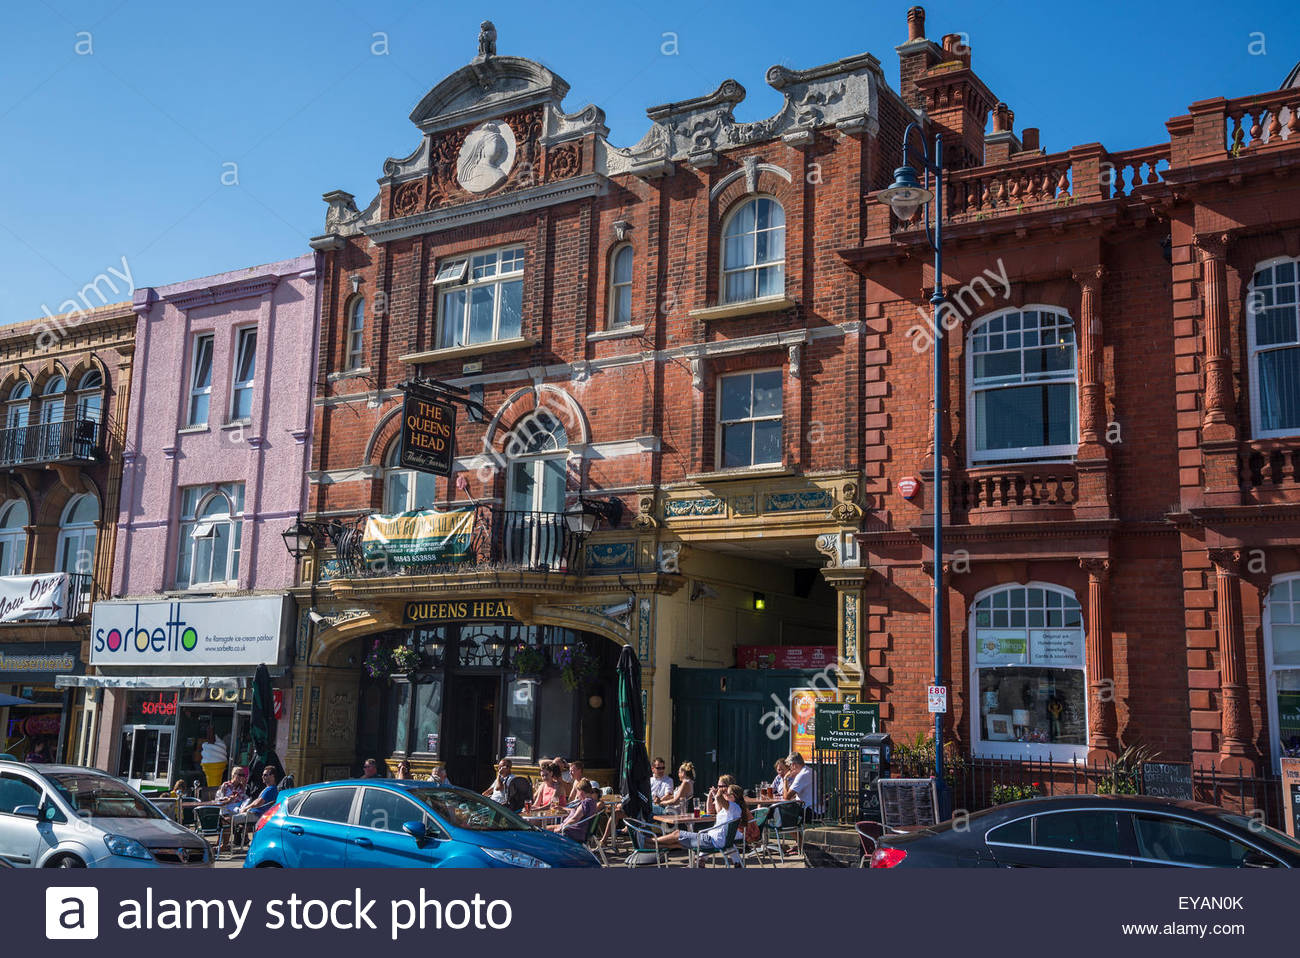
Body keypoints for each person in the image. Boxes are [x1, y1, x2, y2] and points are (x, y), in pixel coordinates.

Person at [654, 784, 748, 865]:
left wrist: (720, 790)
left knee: (677, 834)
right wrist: (714, 794)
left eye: (727, 792)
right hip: (716, 840)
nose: (725, 794)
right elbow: (718, 805)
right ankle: (650, 844)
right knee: (678, 843)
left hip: (712, 841)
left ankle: (650, 841)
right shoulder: (733, 808)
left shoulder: (732, 806)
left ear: (733, 796)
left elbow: (719, 797)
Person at [227, 766, 279, 845]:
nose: (262, 777)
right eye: (263, 775)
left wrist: (246, 808)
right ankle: (239, 840)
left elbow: (258, 803)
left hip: (256, 815)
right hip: (252, 813)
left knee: (226, 820)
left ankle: (225, 845)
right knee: (227, 817)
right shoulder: (269, 789)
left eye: (265, 775)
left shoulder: (271, 789)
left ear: (272, 776)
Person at [783, 752, 815, 822]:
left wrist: (785, 779)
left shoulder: (802, 775)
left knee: (782, 809)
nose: (790, 768)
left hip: (809, 810)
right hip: (816, 808)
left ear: (794, 764)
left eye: (790, 766)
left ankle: (789, 830)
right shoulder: (811, 770)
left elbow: (786, 797)